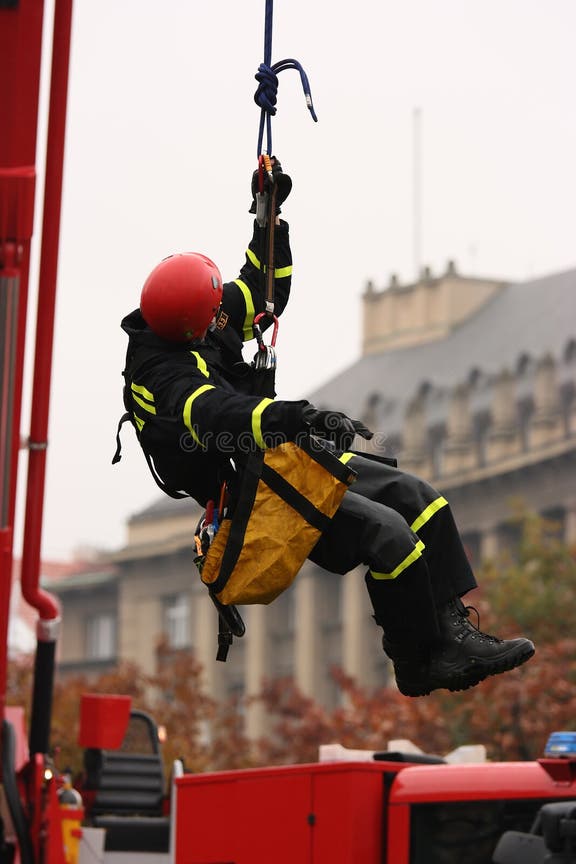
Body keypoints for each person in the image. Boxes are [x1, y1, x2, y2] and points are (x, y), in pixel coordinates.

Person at [118, 159, 535, 697]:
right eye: (216, 314)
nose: (225, 318)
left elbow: (261, 295)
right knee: (391, 538)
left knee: (420, 499)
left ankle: (454, 633)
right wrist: (299, 415)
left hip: (276, 456)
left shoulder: (199, 313)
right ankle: (417, 662)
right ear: (194, 324)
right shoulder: (161, 374)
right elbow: (219, 413)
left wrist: (269, 218)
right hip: (247, 491)